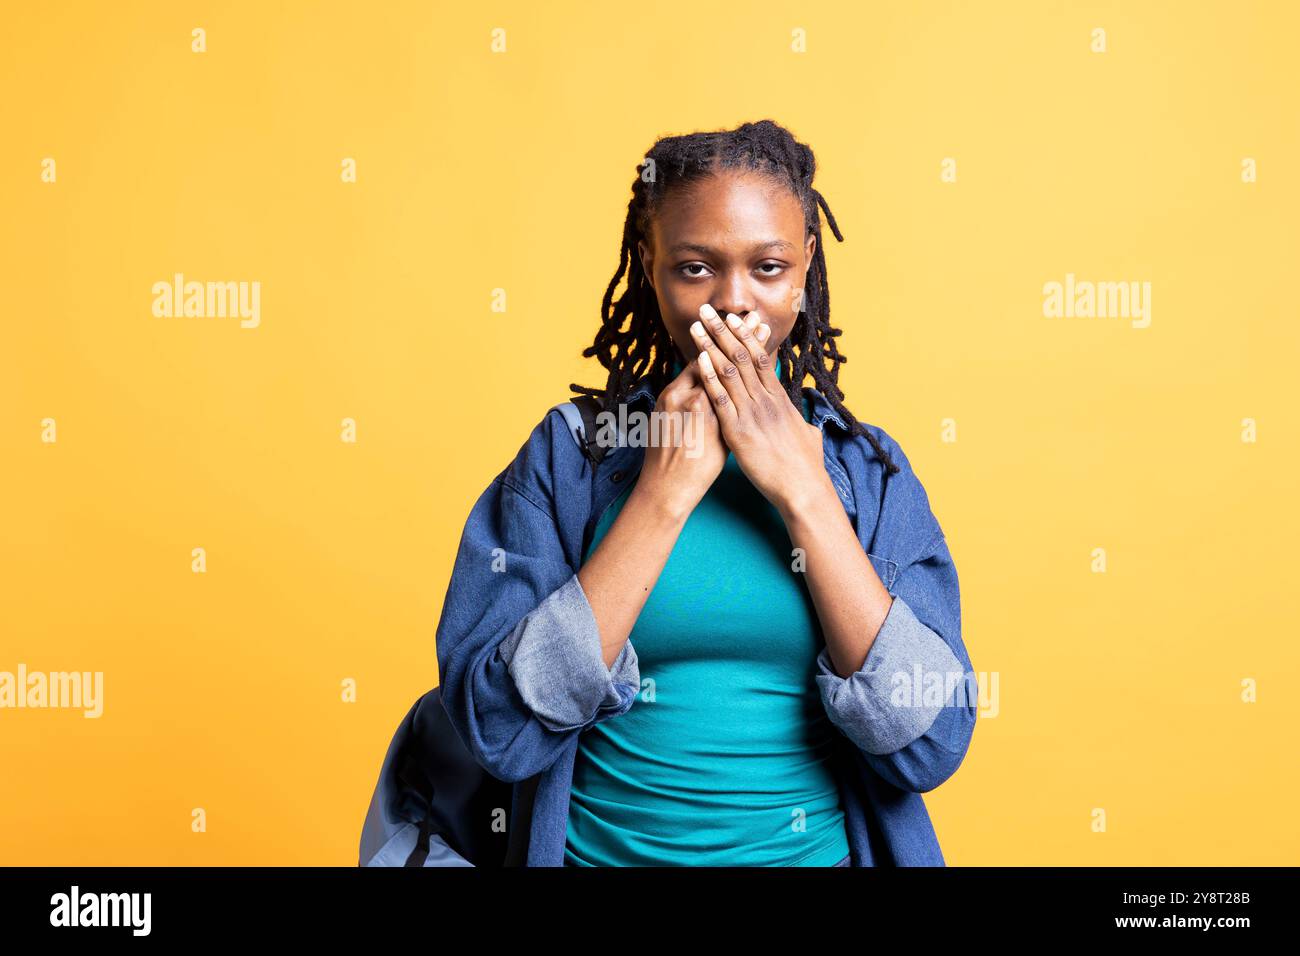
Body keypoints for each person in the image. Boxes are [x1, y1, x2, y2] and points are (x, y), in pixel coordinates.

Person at [434, 119, 977, 867]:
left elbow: (931, 742)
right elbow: (498, 730)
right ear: (650, 265)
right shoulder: (569, 459)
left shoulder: (867, 472)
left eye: (769, 267)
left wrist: (806, 494)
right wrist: (661, 496)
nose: (734, 302)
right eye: (695, 269)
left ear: (807, 268)